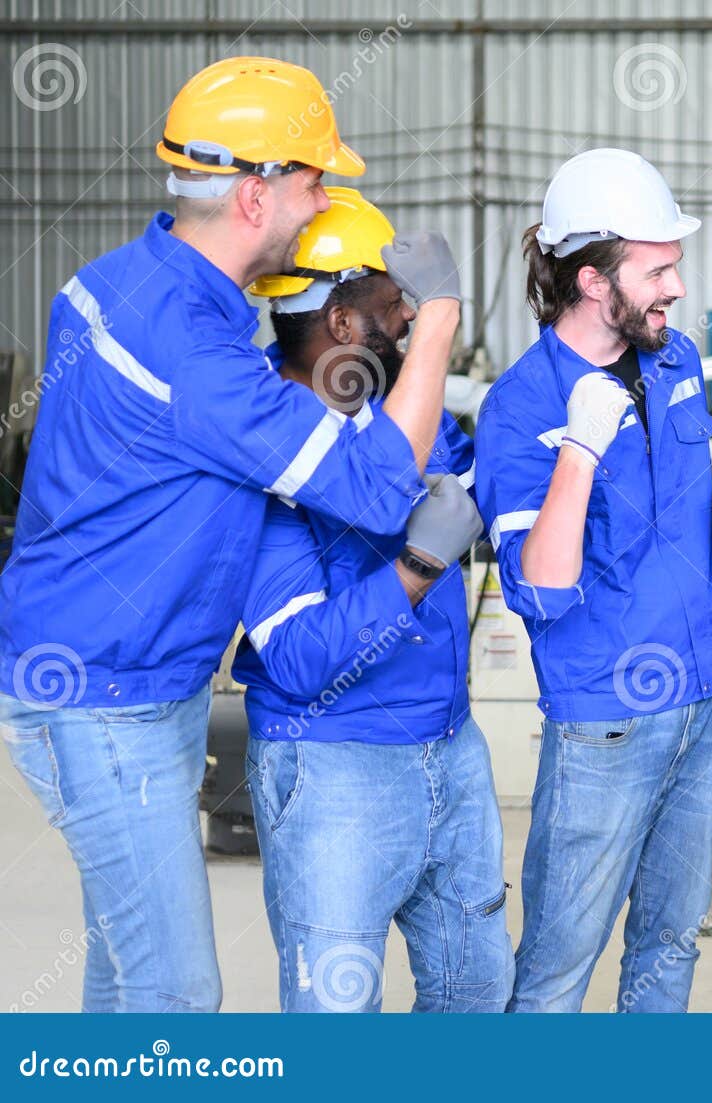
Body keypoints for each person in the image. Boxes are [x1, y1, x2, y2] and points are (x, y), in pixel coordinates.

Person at [0, 56, 459, 1013]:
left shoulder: (112, 283)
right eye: (312, 179)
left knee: (121, 977)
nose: (321, 197)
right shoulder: (200, 357)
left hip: (123, 677)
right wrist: (442, 322)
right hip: (104, 696)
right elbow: (379, 490)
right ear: (255, 193)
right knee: (175, 994)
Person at [231, 189, 509, 1013]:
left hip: (451, 749)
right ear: (344, 326)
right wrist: (417, 568)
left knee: (475, 994)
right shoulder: (266, 451)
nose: (411, 325)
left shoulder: (393, 414)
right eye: (397, 309)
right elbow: (300, 656)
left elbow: (463, 477)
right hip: (334, 766)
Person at [474, 149, 712, 1013]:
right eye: (658, 270)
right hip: (607, 723)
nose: (677, 289)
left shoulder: (677, 361)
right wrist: (579, 450)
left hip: (705, 700)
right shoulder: (521, 406)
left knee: (669, 943)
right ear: (593, 280)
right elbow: (541, 590)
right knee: (557, 967)